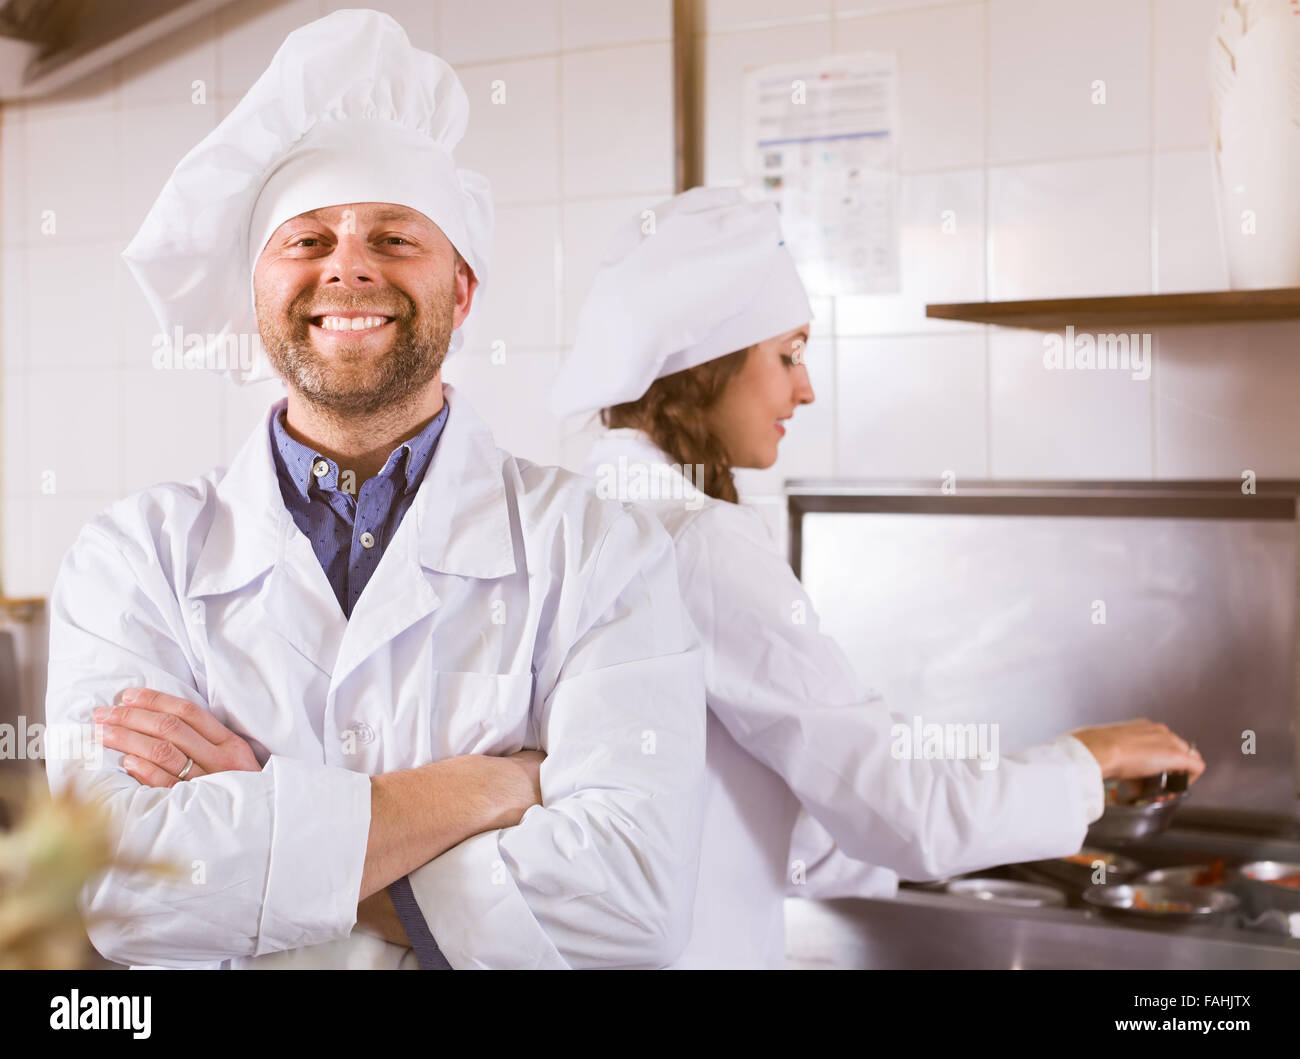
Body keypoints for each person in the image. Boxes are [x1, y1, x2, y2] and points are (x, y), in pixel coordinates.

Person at [43, 10, 706, 970]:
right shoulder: (134, 555)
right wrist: (481, 791)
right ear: (259, 289)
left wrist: (268, 816)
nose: (347, 266)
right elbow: (119, 888)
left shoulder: (600, 547)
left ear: (462, 290)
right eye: (305, 240)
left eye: (395, 237)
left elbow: (632, 903)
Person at [548, 186, 1207, 968]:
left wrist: (1000, 821)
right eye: (788, 352)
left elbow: (744, 814)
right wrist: (1085, 759)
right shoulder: (700, 544)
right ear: (707, 366)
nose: (806, 386)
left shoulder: (584, 510)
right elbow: (901, 809)